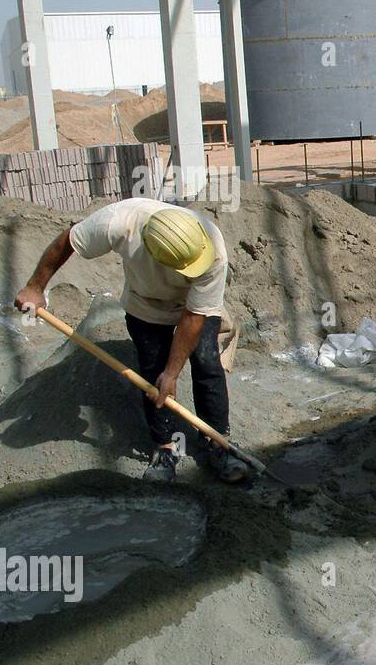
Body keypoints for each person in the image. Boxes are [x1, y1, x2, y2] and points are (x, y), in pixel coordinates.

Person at [14, 199, 250, 484]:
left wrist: (173, 373)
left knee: (206, 360)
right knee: (152, 371)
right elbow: (68, 241)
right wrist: (35, 286)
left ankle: (218, 443)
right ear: (153, 252)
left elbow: (194, 316)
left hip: (194, 307)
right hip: (145, 304)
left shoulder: (212, 248)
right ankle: (167, 447)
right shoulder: (118, 222)